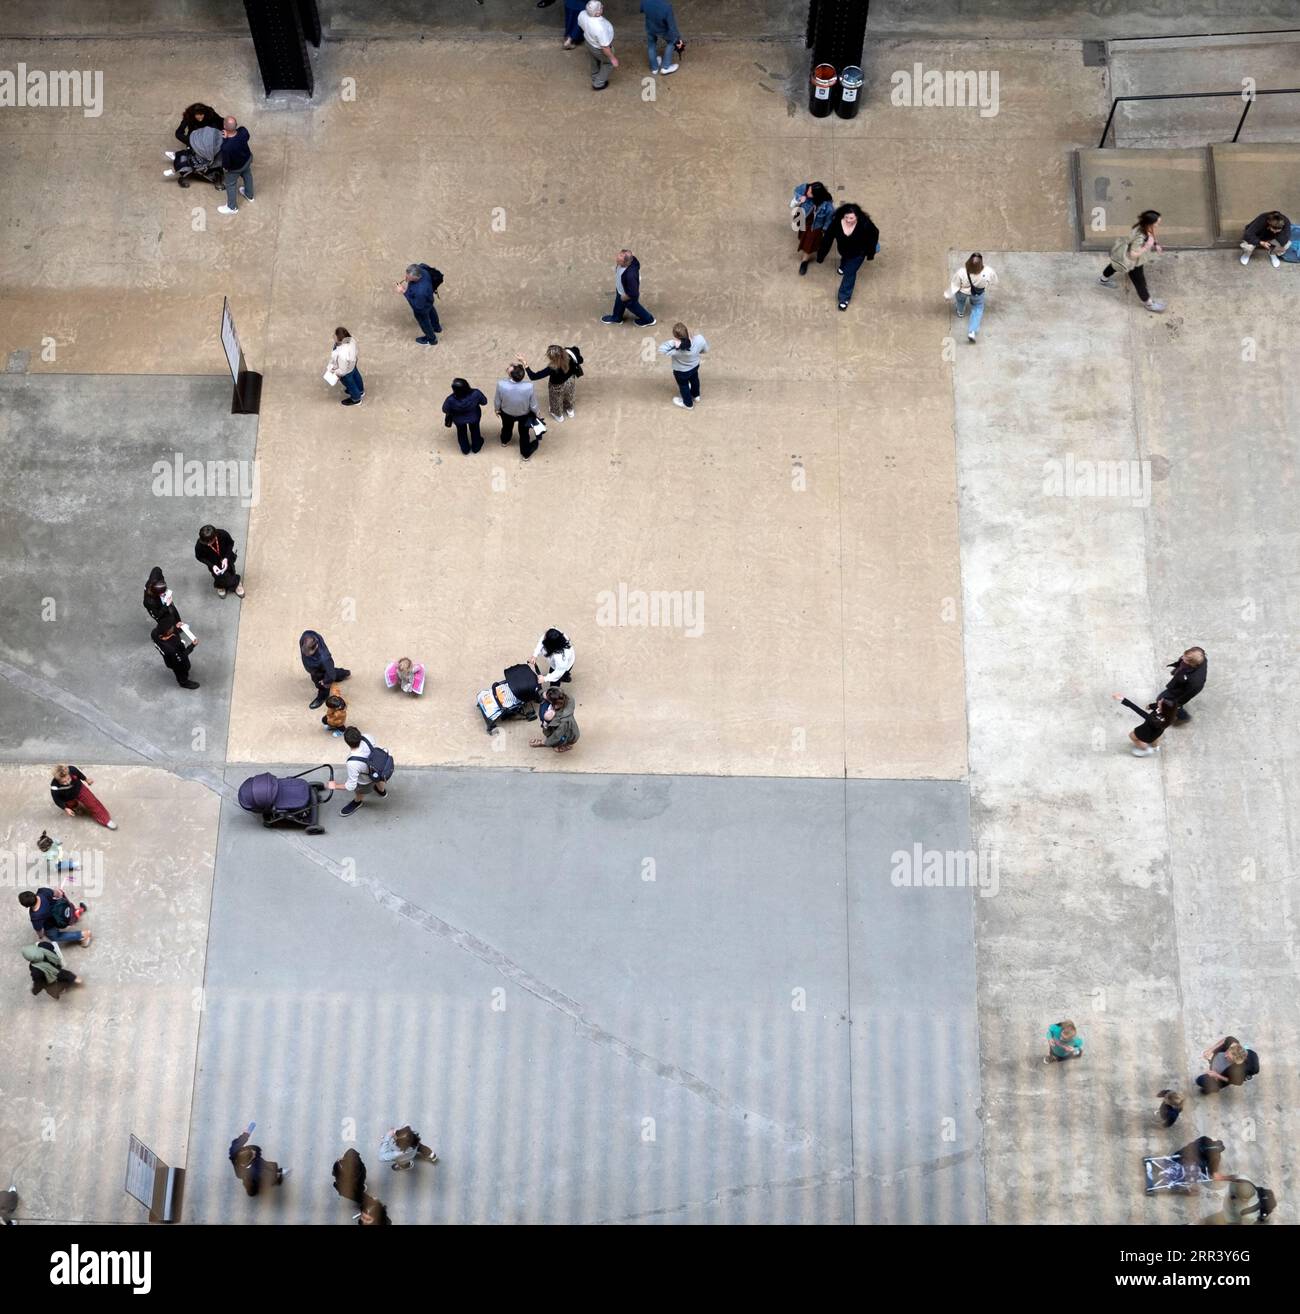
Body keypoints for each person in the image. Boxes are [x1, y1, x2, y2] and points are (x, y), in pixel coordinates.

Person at [816, 203, 880, 311]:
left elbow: (874, 234)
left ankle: (844, 298)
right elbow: (827, 239)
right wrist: (821, 255)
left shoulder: (865, 224)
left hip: (858, 253)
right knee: (845, 259)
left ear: (857, 217)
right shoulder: (836, 223)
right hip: (844, 250)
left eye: (851, 218)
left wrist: (870, 253)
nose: (848, 220)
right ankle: (843, 266)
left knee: (849, 274)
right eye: (846, 217)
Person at [1099, 209, 1165, 312]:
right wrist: (1146, 247)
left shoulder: (1142, 226)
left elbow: (1151, 233)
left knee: (1115, 265)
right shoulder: (1140, 237)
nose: (1158, 225)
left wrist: (1155, 244)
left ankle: (1103, 280)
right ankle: (1149, 304)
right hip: (1133, 262)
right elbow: (1133, 255)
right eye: (1157, 223)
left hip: (1123, 255)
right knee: (1140, 282)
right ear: (1150, 223)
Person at [327, 726, 391, 817]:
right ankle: (382, 791)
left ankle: (358, 802)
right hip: (380, 768)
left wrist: (334, 785)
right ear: (360, 734)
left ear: (347, 742)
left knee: (360, 790)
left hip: (366, 779)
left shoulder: (352, 762)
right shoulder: (368, 737)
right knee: (378, 779)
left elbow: (351, 786)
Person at [944, 252, 999, 343]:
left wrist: (947, 295)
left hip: (962, 292)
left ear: (968, 261)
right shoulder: (988, 271)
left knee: (960, 301)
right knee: (978, 309)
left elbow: (955, 285)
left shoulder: (961, 272)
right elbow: (994, 280)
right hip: (977, 294)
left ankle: (960, 312)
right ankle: (972, 332)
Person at [523, 345, 584, 423]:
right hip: (570, 381)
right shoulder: (570, 354)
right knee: (569, 395)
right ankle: (570, 410)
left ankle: (559, 416)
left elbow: (533, 376)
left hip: (556, 386)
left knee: (556, 400)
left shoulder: (552, 368)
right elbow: (578, 355)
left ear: (552, 358)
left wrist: (525, 364)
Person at [494, 363, 543, 459]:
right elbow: (533, 404)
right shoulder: (529, 386)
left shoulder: (501, 384)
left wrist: (496, 409)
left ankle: (505, 441)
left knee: (506, 428)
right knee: (524, 433)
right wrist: (537, 412)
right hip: (524, 414)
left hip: (506, 413)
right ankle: (525, 454)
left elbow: (497, 400)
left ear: (511, 375)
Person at [658, 322, 709, 409]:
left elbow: (661, 349)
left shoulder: (675, 350)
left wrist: (673, 343)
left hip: (681, 372)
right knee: (694, 379)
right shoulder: (700, 339)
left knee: (684, 386)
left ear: (676, 337)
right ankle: (696, 396)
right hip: (695, 366)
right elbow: (705, 350)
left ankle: (688, 404)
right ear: (687, 331)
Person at [1111, 692, 1178, 757]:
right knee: (1155, 737)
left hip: (1147, 731)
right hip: (1157, 731)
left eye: (1161, 702)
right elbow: (1158, 706)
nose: (1159, 701)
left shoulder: (1156, 720)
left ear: (1164, 708)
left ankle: (1145, 749)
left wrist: (1123, 699)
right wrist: (1151, 706)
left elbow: (1140, 711)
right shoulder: (1170, 713)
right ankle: (1155, 747)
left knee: (1132, 736)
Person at [50, 766, 116, 830]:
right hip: (67, 798)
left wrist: (86, 780)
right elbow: (57, 800)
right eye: (63, 782)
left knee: (92, 803)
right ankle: (76, 807)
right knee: (72, 805)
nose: (67, 782)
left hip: (80, 789)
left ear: (68, 773)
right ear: (57, 780)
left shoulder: (72, 769)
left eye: (68, 779)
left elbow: (79, 775)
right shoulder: (54, 787)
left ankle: (106, 820)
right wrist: (65, 808)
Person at [18, 887, 90, 946]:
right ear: (33, 894)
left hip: (52, 923)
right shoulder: (43, 891)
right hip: (63, 908)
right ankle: (79, 911)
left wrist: (40, 936)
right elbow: (58, 893)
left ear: (27, 906)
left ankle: (82, 935)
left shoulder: (35, 916)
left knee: (55, 937)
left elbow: (39, 930)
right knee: (71, 913)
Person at [228, 1124, 287, 1196]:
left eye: (251, 1151)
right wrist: (276, 1179)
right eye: (253, 1155)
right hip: (255, 1172)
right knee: (261, 1176)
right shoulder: (254, 1170)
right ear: (249, 1161)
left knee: (249, 1181)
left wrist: (246, 1133)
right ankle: (254, 1190)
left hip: (244, 1173)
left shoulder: (234, 1151)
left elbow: (237, 1143)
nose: (254, 1152)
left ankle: (251, 1190)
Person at [601, 250, 656, 327]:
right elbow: (632, 257)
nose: (617, 258)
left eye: (619, 258)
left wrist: (624, 297)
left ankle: (649, 320)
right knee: (618, 303)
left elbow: (633, 293)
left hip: (627, 295)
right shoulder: (630, 260)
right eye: (619, 255)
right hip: (621, 290)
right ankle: (617, 318)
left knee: (635, 307)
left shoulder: (630, 275)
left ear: (625, 262)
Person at [791, 181, 834, 276]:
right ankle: (803, 239)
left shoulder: (828, 207)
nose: (807, 193)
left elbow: (828, 219)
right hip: (804, 218)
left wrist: (824, 230)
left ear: (817, 195)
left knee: (808, 244)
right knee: (802, 234)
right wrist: (799, 199)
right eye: (809, 190)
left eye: (810, 192)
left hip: (815, 226)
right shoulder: (806, 191)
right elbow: (797, 192)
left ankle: (804, 261)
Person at [300, 632, 351, 709]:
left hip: (317, 670)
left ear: (316, 647)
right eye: (304, 652)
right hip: (315, 667)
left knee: (324, 678)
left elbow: (330, 674)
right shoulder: (306, 636)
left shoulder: (324, 658)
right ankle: (343, 673)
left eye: (308, 653)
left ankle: (322, 696)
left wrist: (325, 682)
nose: (306, 654)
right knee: (331, 671)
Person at [163, 120, 222, 187]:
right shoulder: (218, 144)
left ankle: (173, 171)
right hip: (199, 152)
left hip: (199, 162)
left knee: (184, 164)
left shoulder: (216, 156)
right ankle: (175, 155)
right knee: (186, 152)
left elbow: (206, 161)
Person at [396, 263, 442, 346]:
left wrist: (403, 291)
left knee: (424, 321)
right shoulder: (422, 269)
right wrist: (408, 276)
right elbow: (424, 265)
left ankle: (431, 339)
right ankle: (437, 327)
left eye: (408, 277)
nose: (406, 278)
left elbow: (417, 307)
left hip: (422, 306)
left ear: (415, 277)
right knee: (431, 310)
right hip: (429, 299)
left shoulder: (420, 291)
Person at [1157, 647, 1207, 723]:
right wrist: (1177, 668)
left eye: (1185, 659)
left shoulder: (1195, 682)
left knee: (1162, 699)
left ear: (1193, 664)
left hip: (1183, 689)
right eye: (1184, 656)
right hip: (1181, 682)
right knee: (1163, 700)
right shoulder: (1198, 657)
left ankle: (1183, 717)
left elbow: (1186, 696)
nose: (1182, 657)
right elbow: (1183, 660)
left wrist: (1176, 703)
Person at [216, 116, 254, 215]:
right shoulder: (243, 131)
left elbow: (227, 163)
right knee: (247, 175)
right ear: (236, 125)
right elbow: (246, 137)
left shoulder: (226, 146)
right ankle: (249, 195)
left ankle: (232, 207)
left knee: (230, 184)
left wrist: (225, 139)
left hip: (235, 168)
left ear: (224, 126)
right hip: (247, 160)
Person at [194, 524, 244, 597]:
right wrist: (212, 566)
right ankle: (220, 586)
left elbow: (231, 543)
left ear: (215, 537)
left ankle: (236, 583)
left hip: (227, 557)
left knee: (231, 570)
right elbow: (199, 557)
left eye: (209, 542)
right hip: (213, 562)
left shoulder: (223, 534)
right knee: (216, 575)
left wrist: (226, 558)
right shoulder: (200, 544)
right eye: (206, 542)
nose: (208, 544)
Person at [578, 1, 618, 91]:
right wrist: (612, 58)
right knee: (608, 63)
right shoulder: (600, 28)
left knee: (594, 59)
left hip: (589, 42)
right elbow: (605, 47)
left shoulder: (582, 14)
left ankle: (595, 75)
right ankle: (598, 83)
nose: (602, 7)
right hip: (599, 47)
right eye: (600, 7)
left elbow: (581, 26)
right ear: (597, 13)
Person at [442, 377, 488, 455]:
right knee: (475, 431)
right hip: (474, 417)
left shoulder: (450, 400)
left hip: (459, 420)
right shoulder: (476, 393)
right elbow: (484, 402)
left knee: (461, 433)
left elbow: (445, 410)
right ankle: (476, 448)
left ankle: (465, 449)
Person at [151, 619, 200, 690]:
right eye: (171, 627)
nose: (173, 627)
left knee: (180, 668)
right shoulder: (171, 648)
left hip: (170, 658)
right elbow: (181, 657)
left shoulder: (155, 633)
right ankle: (183, 682)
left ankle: (182, 677)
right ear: (167, 632)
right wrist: (192, 645)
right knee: (182, 670)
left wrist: (176, 627)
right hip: (176, 662)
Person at [530, 685, 579, 752]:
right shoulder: (563, 696)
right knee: (554, 730)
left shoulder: (563, 720)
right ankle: (552, 740)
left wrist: (544, 742)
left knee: (559, 739)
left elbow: (557, 736)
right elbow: (556, 689)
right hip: (562, 726)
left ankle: (562, 745)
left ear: (555, 705)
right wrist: (543, 693)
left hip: (567, 734)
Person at [641, 0, 682, 74]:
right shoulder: (666, 7)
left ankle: (654, 68)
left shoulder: (645, 1)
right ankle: (666, 67)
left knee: (651, 45)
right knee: (672, 42)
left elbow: (642, 9)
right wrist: (677, 38)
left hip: (650, 28)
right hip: (663, 30)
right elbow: (671, 25)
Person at [327, 328, 364, 406]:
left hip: (345, 371)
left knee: (350, 383)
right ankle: (361, 391)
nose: (333, 336)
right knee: (356, 375)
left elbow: (342, 370)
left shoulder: (342, 354)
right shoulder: (351, 340)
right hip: (353, 364)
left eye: (335, 335)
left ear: (339, 339)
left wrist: (334, 371)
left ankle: (356, 399)